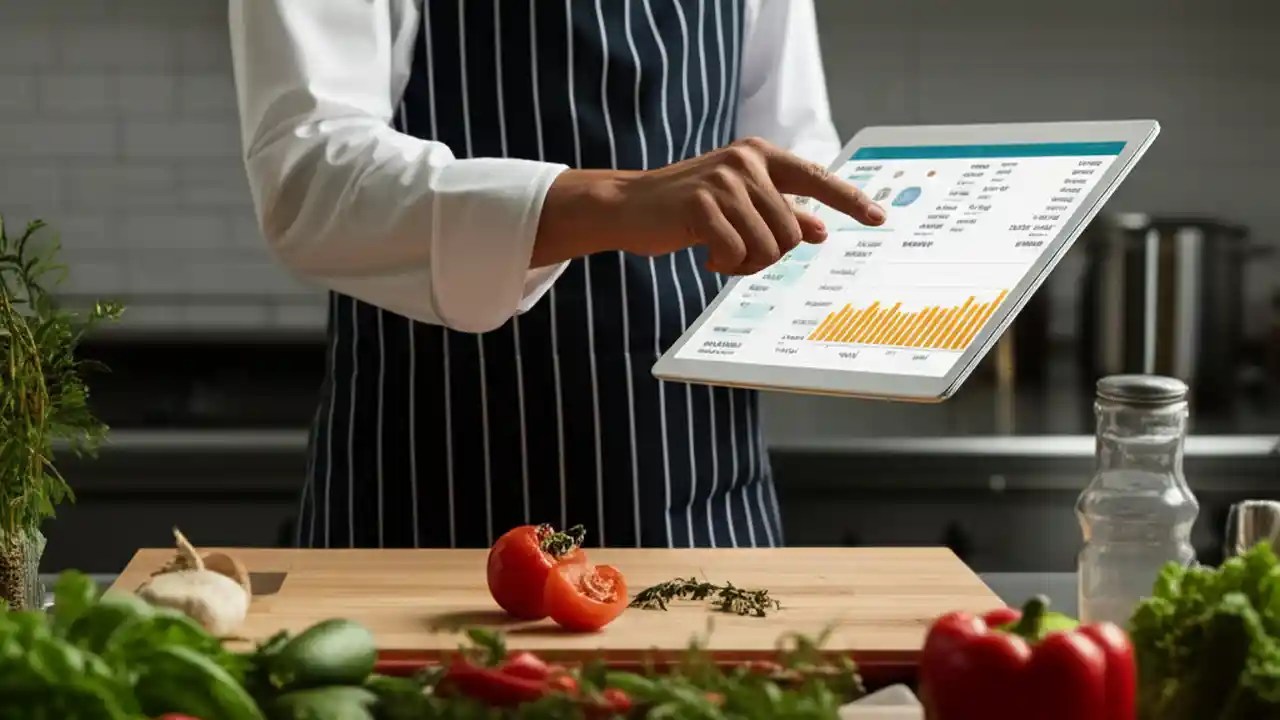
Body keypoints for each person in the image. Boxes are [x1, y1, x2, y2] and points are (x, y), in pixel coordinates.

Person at [229, 0, 885, 551]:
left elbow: (791, 160)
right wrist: (617, 203)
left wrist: (900, 268)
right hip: (438, 490)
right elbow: (310, 181)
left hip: (706, 490)